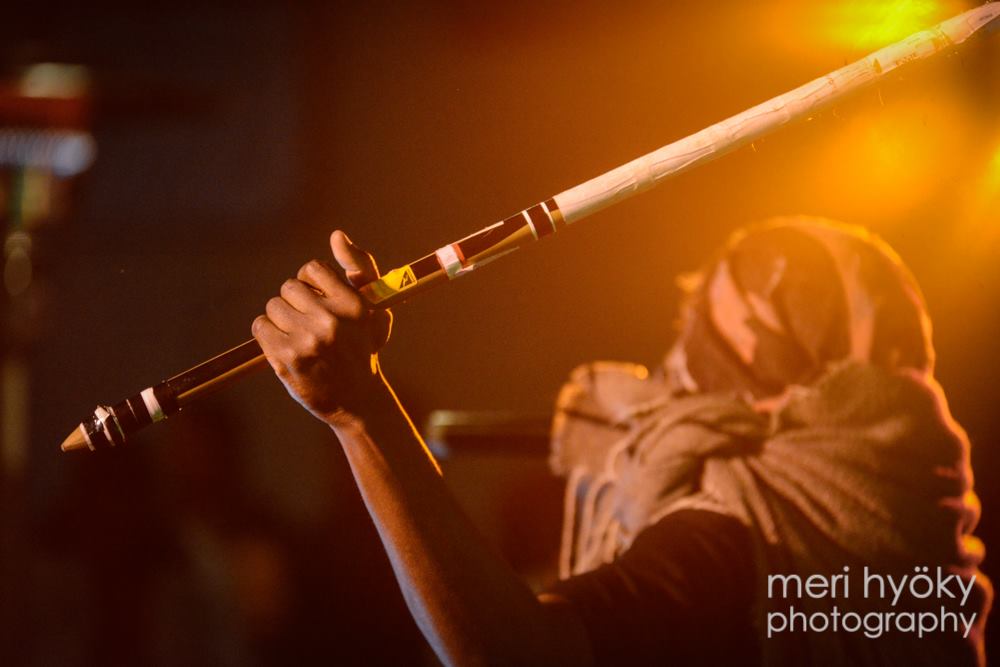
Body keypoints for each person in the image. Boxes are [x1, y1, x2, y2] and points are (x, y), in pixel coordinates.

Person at [251, 217, 991, 666]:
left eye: (696, 338)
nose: (670, 368)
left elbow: (505, 654)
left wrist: (361, 414)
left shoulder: (734, 534)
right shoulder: (906, 514)